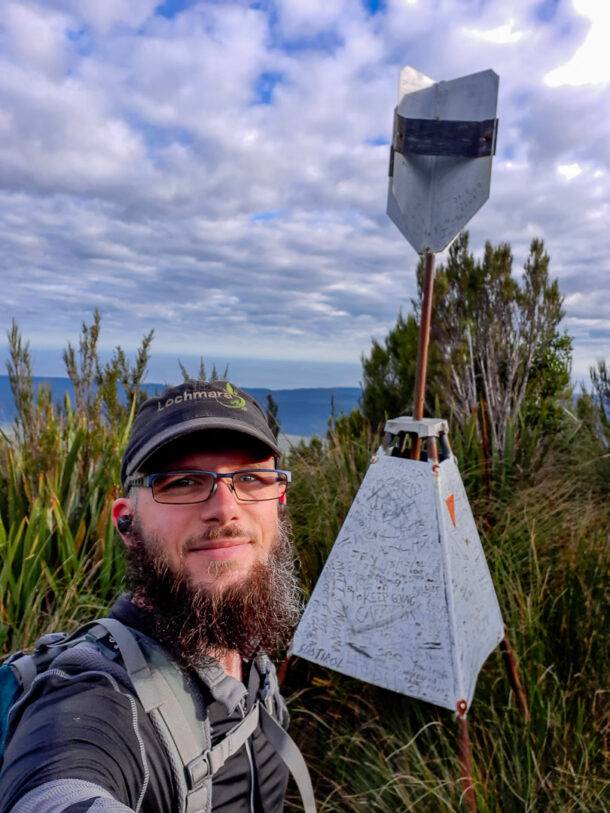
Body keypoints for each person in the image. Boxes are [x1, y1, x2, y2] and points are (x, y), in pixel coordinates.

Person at [0, 380, 311, 812]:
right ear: (127, 523)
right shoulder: (95, 697)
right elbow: (56, 790)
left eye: (250, 478)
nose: (225, 509)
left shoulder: (246, 649)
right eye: (182, 482)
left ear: (279, 500)